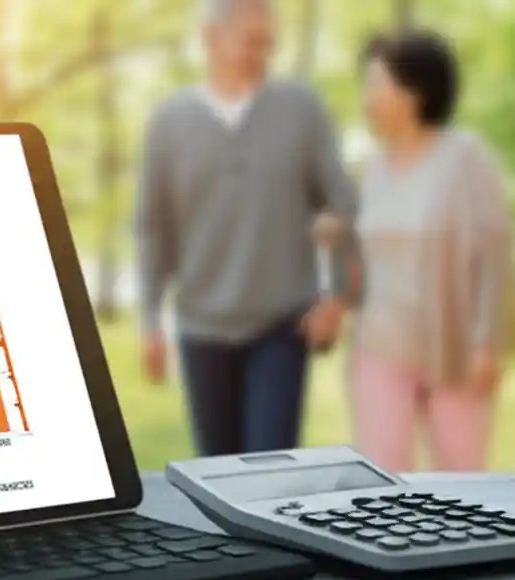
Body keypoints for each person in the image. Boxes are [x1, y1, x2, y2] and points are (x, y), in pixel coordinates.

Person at [134, 0, 357, 455]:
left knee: (270, 471)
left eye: (269, 43)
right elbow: (152, 229)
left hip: (280, 324)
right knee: (217, 475)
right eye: (252, 42)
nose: (263, 54)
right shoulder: (169, 123)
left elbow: (345, 205)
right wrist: (150, 321)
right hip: (201, 326)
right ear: (211, 39)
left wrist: (336, 298)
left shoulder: (301, 110)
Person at [348, 30, 515, 472]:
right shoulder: (371, 169)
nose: (367, 98)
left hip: (455, 349)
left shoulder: (464, 157)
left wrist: (490, 343)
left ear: (413, 90)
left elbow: (496, 255)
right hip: (380, 345)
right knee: (381, 477)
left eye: (376, 84)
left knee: (460, 478)